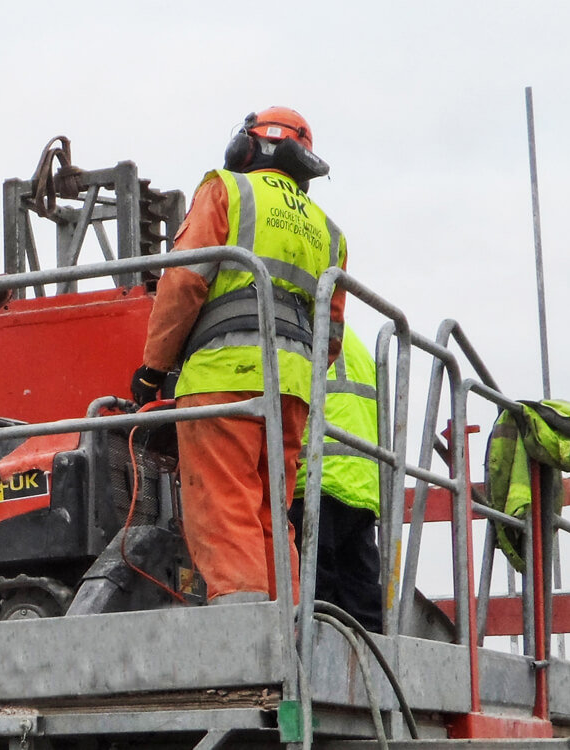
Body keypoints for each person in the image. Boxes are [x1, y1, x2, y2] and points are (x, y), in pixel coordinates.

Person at [129, 106, 346, 604]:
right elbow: (329, 336)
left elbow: (184, 280)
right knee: (272, 513)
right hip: (292, 392)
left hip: (221, 382)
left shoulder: (226, 190)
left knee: (224, 505)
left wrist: (152, 368)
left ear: (250, 147)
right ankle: (289, 631)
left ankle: (247, 644)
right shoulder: (329, 232)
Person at [290, 324, 385, 631]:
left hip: (315, 480)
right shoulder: (355, 343)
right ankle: (371, 668)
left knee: (314, 597)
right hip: (362, 488)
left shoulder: (299, 332)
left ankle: (311, 672)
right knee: (360, 602)